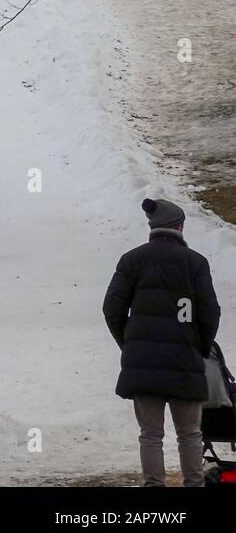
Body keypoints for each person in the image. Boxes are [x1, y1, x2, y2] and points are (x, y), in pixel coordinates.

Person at [103, 198, 221, 487]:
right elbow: (210, 313)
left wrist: (130, 345)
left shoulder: (131, 260)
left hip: (142, 363)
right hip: (185, 361)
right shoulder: (195, 262)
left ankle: (154, 484)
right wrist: (200, 348)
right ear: (180, 226)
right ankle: (194, 484)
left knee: (151, 434)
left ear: (152, 226)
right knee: (190, 434)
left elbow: (111, 309)